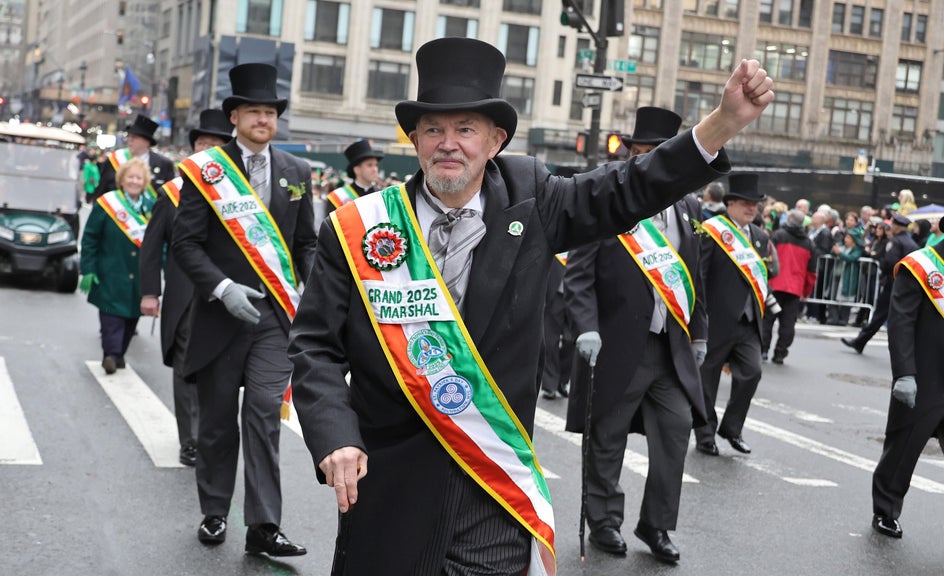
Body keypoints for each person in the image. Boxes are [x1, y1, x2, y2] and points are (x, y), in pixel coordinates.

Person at [288, 37, 773, 575]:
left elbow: (626, 189)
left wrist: (722, 124)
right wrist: (335, 437)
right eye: (433, 129)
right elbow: (315, 346)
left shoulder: (533, 197)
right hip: (390, 482)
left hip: (490, 487)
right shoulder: (359, 228)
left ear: (495, 140)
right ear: (415, 139)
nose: (448, 144)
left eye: (465, 129)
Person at [170, 63, 315, 556]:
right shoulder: (208, 172)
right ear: (234, 117)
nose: (263, 119)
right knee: (215, 421)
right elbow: (186, 244)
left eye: (270, 112)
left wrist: (317, 289)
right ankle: (214, 511)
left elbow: (305, 243)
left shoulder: (297, 172)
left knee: (263, 415)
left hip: (274, 319)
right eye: (254, 111)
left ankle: (263, 525)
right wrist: (222, 287)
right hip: (220, 315)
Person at [563, 107, 707, 564]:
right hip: (617, 342)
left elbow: (693, 278)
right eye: (641, 153)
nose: (646, 162)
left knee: (675, 432)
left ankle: (657, 524)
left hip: (671, 346)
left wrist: (699, 332)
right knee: (607, 435)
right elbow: (579, 275)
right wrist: (585, 327)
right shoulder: (610, 198)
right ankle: (604, 520)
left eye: (657, 155)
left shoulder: (688, 207)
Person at [139, 108, 234, 467]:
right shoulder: (173, 192)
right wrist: (150, 292)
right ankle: (189, 440)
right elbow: (151, 247)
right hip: (183, 297)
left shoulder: (239, 197)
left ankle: (210, 435)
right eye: (202, 143)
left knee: (219, 372)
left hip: (225, 297)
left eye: (215, 144)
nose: (207, 149)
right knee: (185, 369)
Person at [694, 173, 776, 456]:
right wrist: (699, 317)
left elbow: (763, 276)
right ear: (729, 204)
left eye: (755, 204)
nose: (751, 208)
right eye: (745, 203)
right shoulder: (711, 230)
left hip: (749, 322)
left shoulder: (760, 237)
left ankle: (732, 428)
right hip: (716, 319)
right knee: (708, 379)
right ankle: (705, 434)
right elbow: (700, 276)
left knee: (752, 372)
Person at [870, 238, 944, 538]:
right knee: (903, 447)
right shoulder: (920, 265)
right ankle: (885, 510)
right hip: (925, 375)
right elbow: (901, 321)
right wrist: (904, 373)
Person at [79, 158, 154, 374]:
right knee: (111, 316)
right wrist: (88, 269)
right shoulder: (107, 203)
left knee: (131, 317)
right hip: (110, 271)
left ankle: (119, 354)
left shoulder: (151, 206)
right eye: (130, 176)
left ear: (145, 182)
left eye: (138, 178)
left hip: (139, 276)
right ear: (121, 179)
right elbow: (90, 238)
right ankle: (110, 354)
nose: (134, 181)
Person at [841, 213, 919, 354]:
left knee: (880, 314)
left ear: (896, 226)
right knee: (899, 316)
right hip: (906, 283)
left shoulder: (895, 241)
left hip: (893, 283)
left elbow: (889, 262)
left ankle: (861, 341)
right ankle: (861, 341)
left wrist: (882, 266)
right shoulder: (912, 243)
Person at [762, 209, 816, 363]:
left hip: (775, 284)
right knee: (788, 322)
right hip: (794, 289)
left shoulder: (778, 235)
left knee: (767, 319)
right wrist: (806, 291)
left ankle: (764, 349)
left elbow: (768, 258)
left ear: (790, 219)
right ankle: (780, 353)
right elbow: (811, 272)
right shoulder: (809, 243)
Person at [93, 114, 175, 205]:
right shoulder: (114, 159)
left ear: (147, 142)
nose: (130, 140)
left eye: (135, 137)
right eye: (129, 136)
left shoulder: (164, 164)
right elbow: (102, 190)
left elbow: (168, 198)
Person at [539, 255, 573, 400]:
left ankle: (562, 381)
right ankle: (549, 385)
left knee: (571, 341)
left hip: (577, 298)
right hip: (555, 295)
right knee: (550, 340)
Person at [326, 139, 383, 213]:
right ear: (357, 170)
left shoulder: (382, 196)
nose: (375, 169)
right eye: (369, 165)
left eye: (376, 165)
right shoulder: (338, 197)